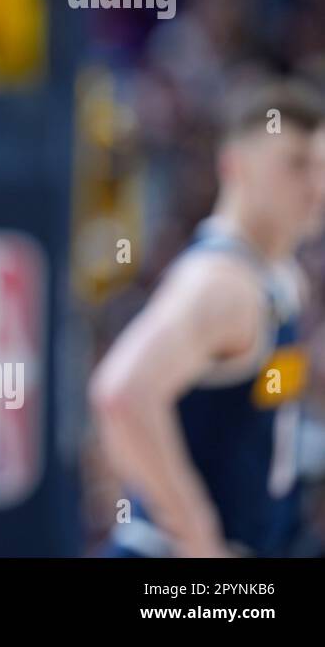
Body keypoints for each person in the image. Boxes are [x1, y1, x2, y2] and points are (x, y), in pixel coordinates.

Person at [91, 78, 325, 557]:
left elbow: (261, 400)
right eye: (296, 165)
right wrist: (198, 535)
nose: (315, 185)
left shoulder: (283, 279)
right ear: (236, 166)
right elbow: (121, 394)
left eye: (321, 167)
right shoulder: (222, 284)